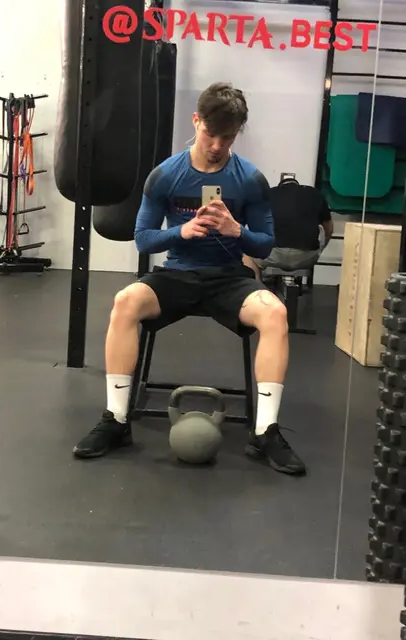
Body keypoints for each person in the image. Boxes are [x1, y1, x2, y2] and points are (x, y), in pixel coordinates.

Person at [73, 82, 306, 476]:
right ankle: (116, 420)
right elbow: (144, 238)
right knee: (125, 302)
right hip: (177, 274)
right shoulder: (165, 175)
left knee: (275, 313)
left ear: (237, 134)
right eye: (210, 133)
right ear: (196, 121)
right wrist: (180, 233)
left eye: (227, 137)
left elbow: (266, 246)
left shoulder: (250, 179)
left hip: (229, 278)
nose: (216, 145)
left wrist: (236, 231)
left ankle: (265, 432)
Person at [245, 176, 333, 273]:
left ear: (280, 186)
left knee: (248, 256)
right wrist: (321, 248)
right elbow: (328, 228)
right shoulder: (315, 194)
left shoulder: (267, 194)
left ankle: (257, 282)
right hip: (306, 256)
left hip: (273, 253)